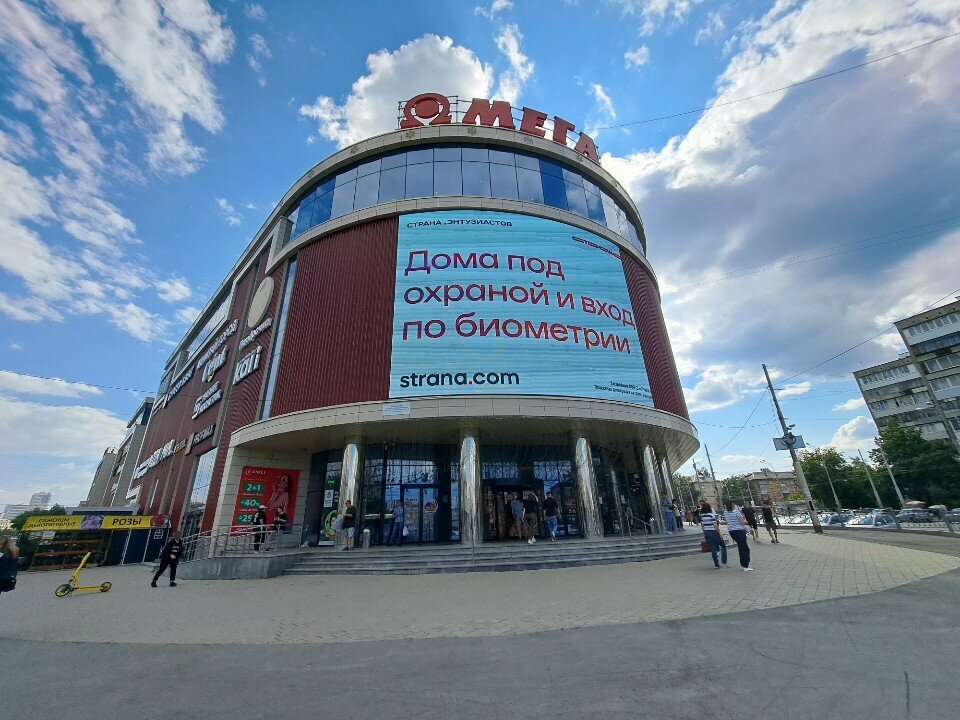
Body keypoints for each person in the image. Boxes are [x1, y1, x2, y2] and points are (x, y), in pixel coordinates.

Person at [723, 501, 754, 571]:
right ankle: (745, 565)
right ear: (732, 505)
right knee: (743, 548)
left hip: (731, 531)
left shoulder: (725, 512)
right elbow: (741, 522)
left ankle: (746, 563)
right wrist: (747, 522)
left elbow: (727, 521)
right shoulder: (736, 512)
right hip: (739, 531)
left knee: (743, 547)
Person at [699, 502, 727, 568]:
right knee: (723, 546)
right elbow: (715, 525)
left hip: (707, 532)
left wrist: (705, 532)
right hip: (714, 532)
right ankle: (724, 560)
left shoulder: (702, 516)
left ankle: (716, 564)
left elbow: (703, 526)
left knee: (713, 549)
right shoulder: (711, 515)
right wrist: (719, 533)